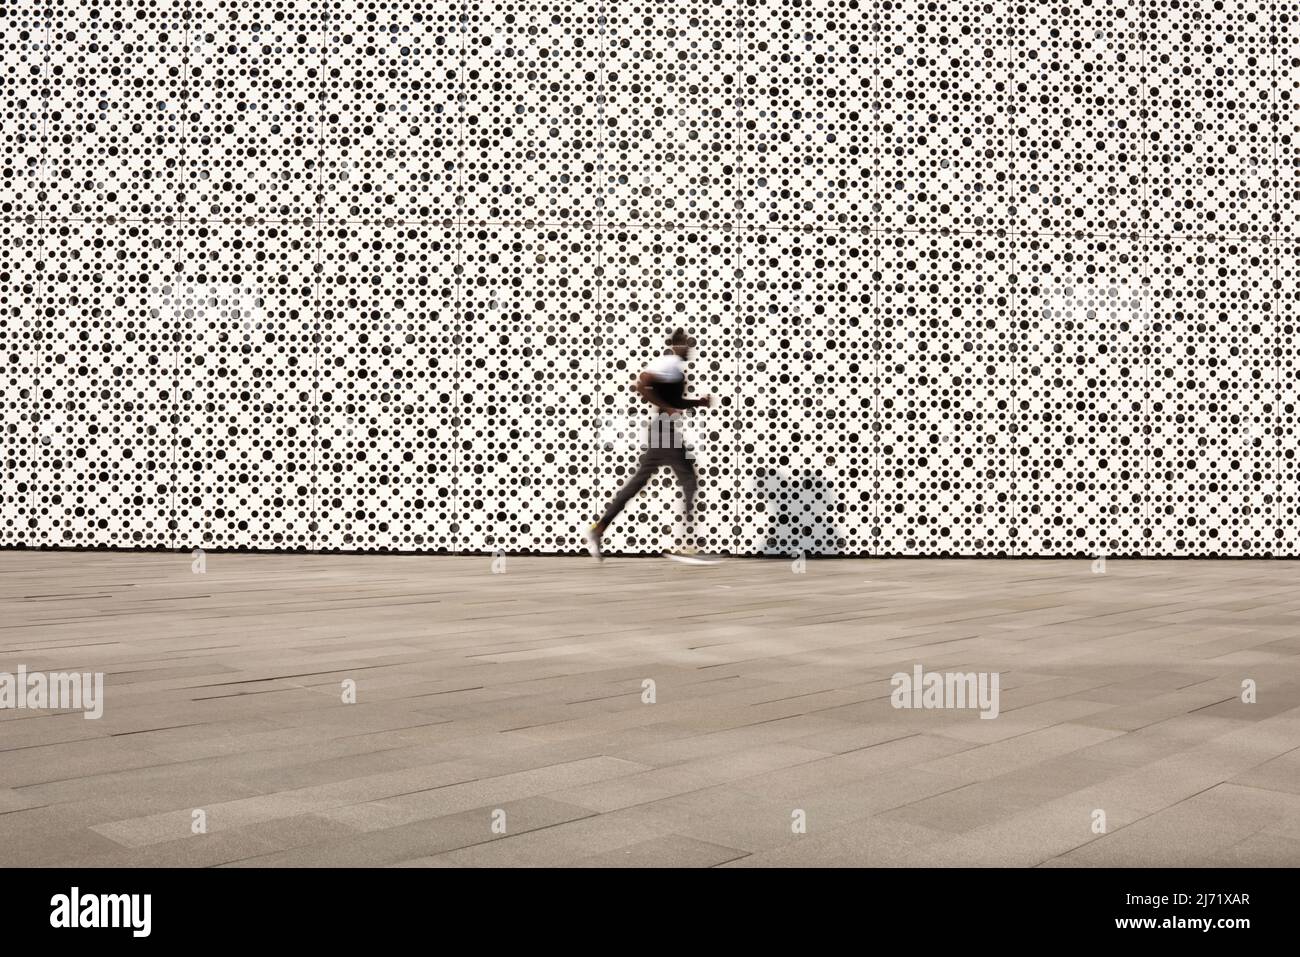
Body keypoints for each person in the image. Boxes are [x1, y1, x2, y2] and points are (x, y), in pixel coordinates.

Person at [586, 328, 713, 560]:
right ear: (677, 345)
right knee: (689, 481)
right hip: (664, 431)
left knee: (638, 483)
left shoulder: (674, 368)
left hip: (662, 430)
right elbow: (642, 384)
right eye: (685, 344)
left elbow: (673, 401)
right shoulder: (670, 362)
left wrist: (698, 402)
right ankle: (686, 543)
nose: (689, 349)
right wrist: (666, 408)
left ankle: (599, 529)